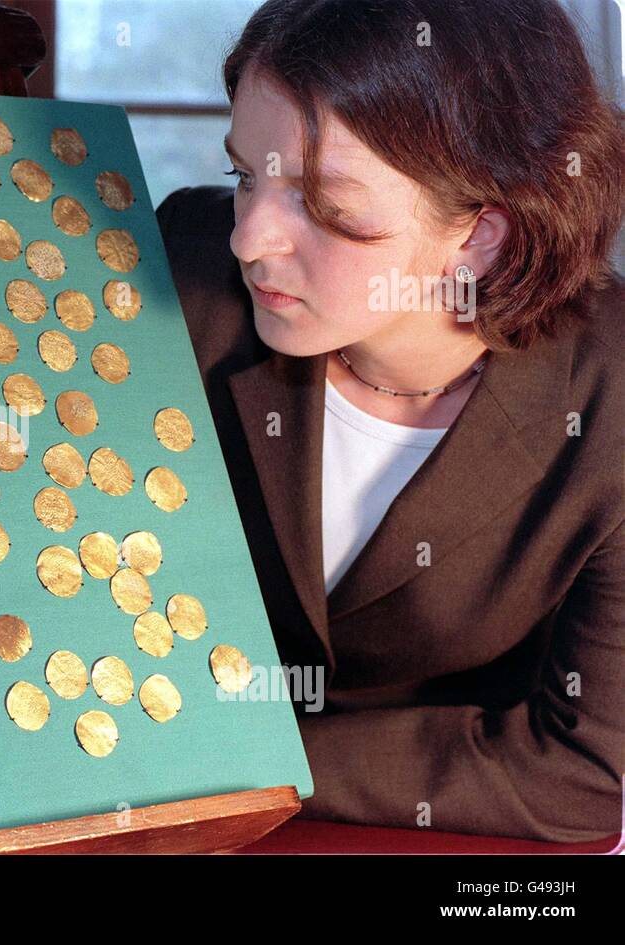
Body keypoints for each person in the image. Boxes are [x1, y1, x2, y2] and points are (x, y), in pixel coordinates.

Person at [157, 0, 624, 843]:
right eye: (245, 177)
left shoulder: (612, 403)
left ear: (479, 237)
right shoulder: (178, 267)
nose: (250, 238)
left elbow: (585, 771)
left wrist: (243, 756)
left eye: (324, 204)